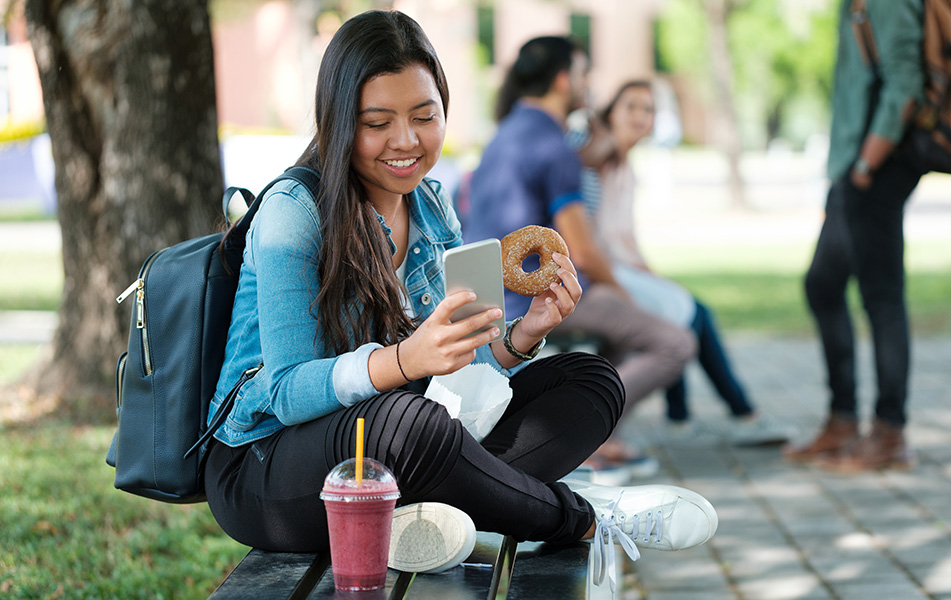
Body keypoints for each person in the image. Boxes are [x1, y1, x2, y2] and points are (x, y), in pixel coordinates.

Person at [201, 10, 716, 582]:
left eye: (425, 116)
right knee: (408, 420)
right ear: (340, 120)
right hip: (267, 465)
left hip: (407, 440)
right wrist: (403, 362)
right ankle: (586, 516)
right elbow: (288, 391)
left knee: (592, 380)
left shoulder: (431, 205)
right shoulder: (293, 214)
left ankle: (422, 518)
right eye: (378, 122)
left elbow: (457, 375)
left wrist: (522, 338)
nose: (406, 141)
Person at [463, 37, 697, 478]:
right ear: (564, 78)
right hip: (535, 304)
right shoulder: (555, 146)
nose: (588, 84)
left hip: (491, 297)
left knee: (622, 334)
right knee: (675, 342)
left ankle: (603, 436)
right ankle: (585, 438)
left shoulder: (505, 132)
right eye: (584, 73)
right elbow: (583, 250)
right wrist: (622, 289)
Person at [579, 80, 790, 447]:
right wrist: (608, 135)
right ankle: (738, 413)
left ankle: (688, 415)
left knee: (689, 309)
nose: (641, 116)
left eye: (648, 110)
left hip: (624, 267)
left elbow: (627, 237)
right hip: (603, 273)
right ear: (611, 111)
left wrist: (651, 275)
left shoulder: (627, 168)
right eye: (631, 107)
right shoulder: (601, 155)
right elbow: (600, 221)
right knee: (690, 313)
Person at [782, 0, 926, 473]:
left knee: (882, 298)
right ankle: (843, 420)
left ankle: (889, 433)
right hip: (853, 170)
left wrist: (867, 164)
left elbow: (906, 82)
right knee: (822, 284)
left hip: (875, 169)